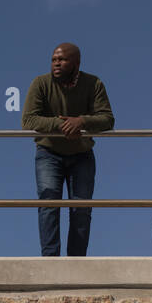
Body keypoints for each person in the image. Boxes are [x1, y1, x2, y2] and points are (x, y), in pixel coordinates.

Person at [21, 43, 115, 256]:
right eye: (54, 59)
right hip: (48, 153)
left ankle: (76, 262)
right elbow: (28, 120)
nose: (56, 63)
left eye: (62, 60)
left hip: (82, 155)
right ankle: (51, 261)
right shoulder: (41, 83)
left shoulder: (93, 83)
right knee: (49, 205)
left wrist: (80, 122)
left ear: (76, 63)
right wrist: (62, 126)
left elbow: (108, 119)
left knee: (81, 210)